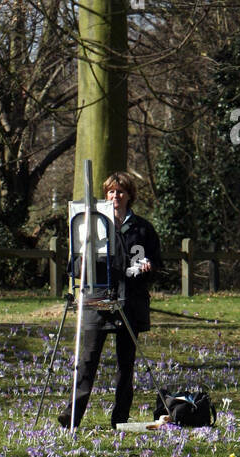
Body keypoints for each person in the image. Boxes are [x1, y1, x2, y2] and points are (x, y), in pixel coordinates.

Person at [58, 171, 162, 430]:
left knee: (125, 365)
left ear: (130, 196)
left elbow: (157, 262)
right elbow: (75, 265)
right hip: (97, 300)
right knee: (87, 360)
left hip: (130, 301)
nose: (116, 196)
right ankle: (72, 416)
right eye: (111, 192)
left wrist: (149, 266)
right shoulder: (91, 225)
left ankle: (120, 420)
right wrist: (84, 258)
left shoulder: (143, 228)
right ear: (106, 195)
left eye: (121, 191)